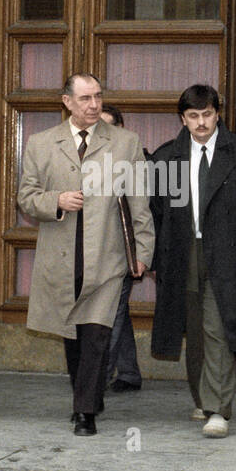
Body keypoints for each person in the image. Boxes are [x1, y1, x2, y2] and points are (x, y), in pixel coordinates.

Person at [17, 74, 155, 436]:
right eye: (84, 99)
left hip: (106, 255)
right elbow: (26, 197)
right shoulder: (41, 143)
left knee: (96, 331)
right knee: (72, 334)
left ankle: (85, 411)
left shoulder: (125, 142)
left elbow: (139, 200)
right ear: (67, 101)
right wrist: (56, 200)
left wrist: (143, 250)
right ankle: (87, 394)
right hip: (61, 256)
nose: (93, 105)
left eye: (97, 97)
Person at [149, 84, 236, 438]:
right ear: (182, 119)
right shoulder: (167, 158)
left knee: (219, 327)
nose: (201, 123)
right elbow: (155, 215)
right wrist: (150, 258)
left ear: (218, 113)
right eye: (193, 116)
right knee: (193, 330)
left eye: (207, 114)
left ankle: (217, 409)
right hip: (183, 255)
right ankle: (202, 395)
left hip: (232, 255)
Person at [99, 104, 145, 394]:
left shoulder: (136, 161)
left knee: (110, 313)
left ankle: (95, 383)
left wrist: (143, 252)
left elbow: (144, 212)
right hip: (93, 252)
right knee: (117, 311)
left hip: (122, 252)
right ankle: (128, 371)